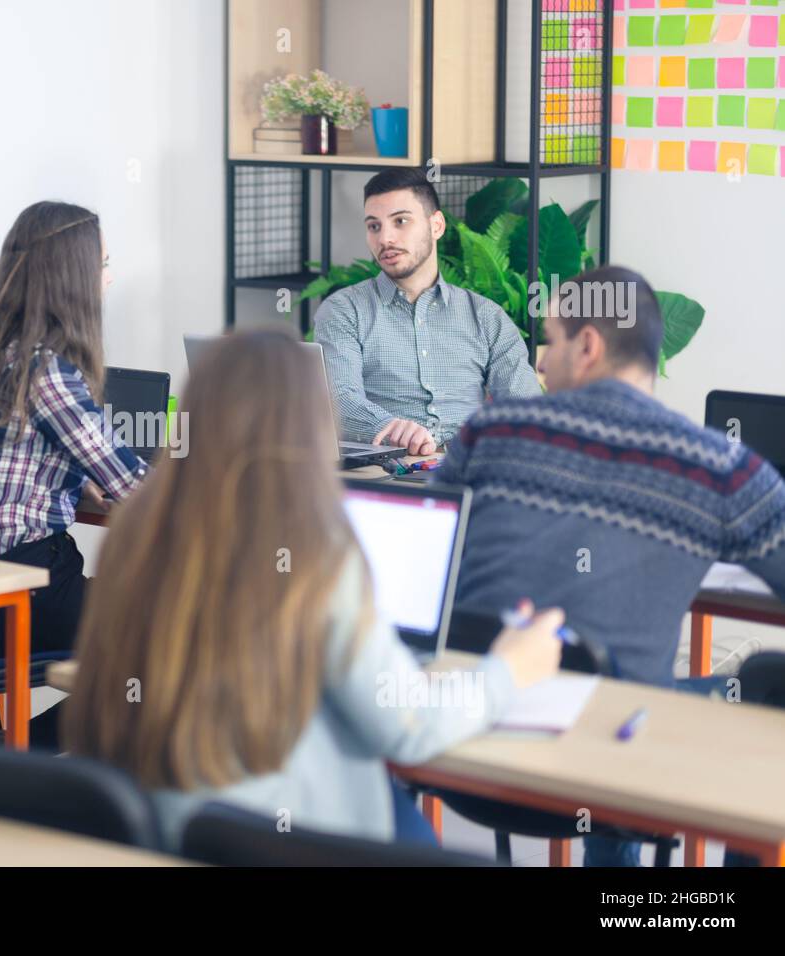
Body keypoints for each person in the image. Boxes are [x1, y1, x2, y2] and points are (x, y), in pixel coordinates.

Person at [63, 326, 562, 850]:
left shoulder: (136, 536)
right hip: (293, 841)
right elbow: (410, 728)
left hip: (172, 833)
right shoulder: (317, 556)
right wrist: (509, 670)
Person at [432, 265, 785, 865]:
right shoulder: (718, 467)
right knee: (765, 682)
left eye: (548, 339)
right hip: (613, 772)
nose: (539, 362)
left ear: (588, 344)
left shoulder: (488, 430)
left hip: (454, 746)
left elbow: (425, 571)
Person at [0, 201, 146, 748]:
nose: (110, 275)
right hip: (22, 590)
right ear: (74, 277)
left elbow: (44, 458)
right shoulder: (50, 372)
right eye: (102, 263)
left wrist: (78, 476)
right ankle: (14, 756)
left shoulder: (3, 354)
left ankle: (14, 754)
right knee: (175, 639)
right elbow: (135, 490)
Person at [315, 167, 540, 455]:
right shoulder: (344, 310)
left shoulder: (486, 316)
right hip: (386, 468)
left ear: (436, 226)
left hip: (468, 468)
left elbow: (526, 409)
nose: (386, 239)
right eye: (374, 226)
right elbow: (339, 400)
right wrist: (395, 430)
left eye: (400, 221)